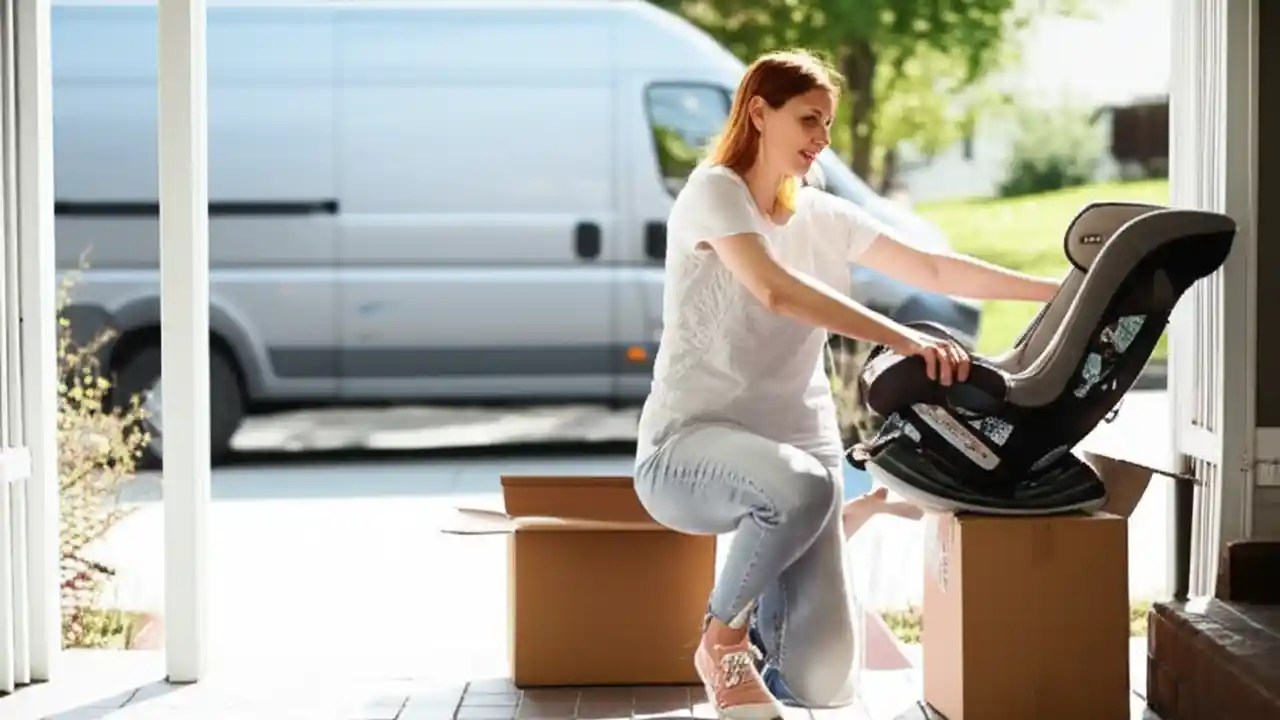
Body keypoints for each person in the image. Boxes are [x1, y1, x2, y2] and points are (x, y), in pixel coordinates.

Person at [632, 49, 1061, 719]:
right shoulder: (714, 191)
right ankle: (723, 641)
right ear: (759, 113)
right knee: (801, 486)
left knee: (824, 681)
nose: (822, 138)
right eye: (809, 119)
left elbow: (934, 270)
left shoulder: (823, 215)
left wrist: (1060, 291)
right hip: (687, 452)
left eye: (828, 123)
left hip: (798, 466)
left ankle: (798, 569)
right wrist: (905, 339)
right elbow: (775, 289)